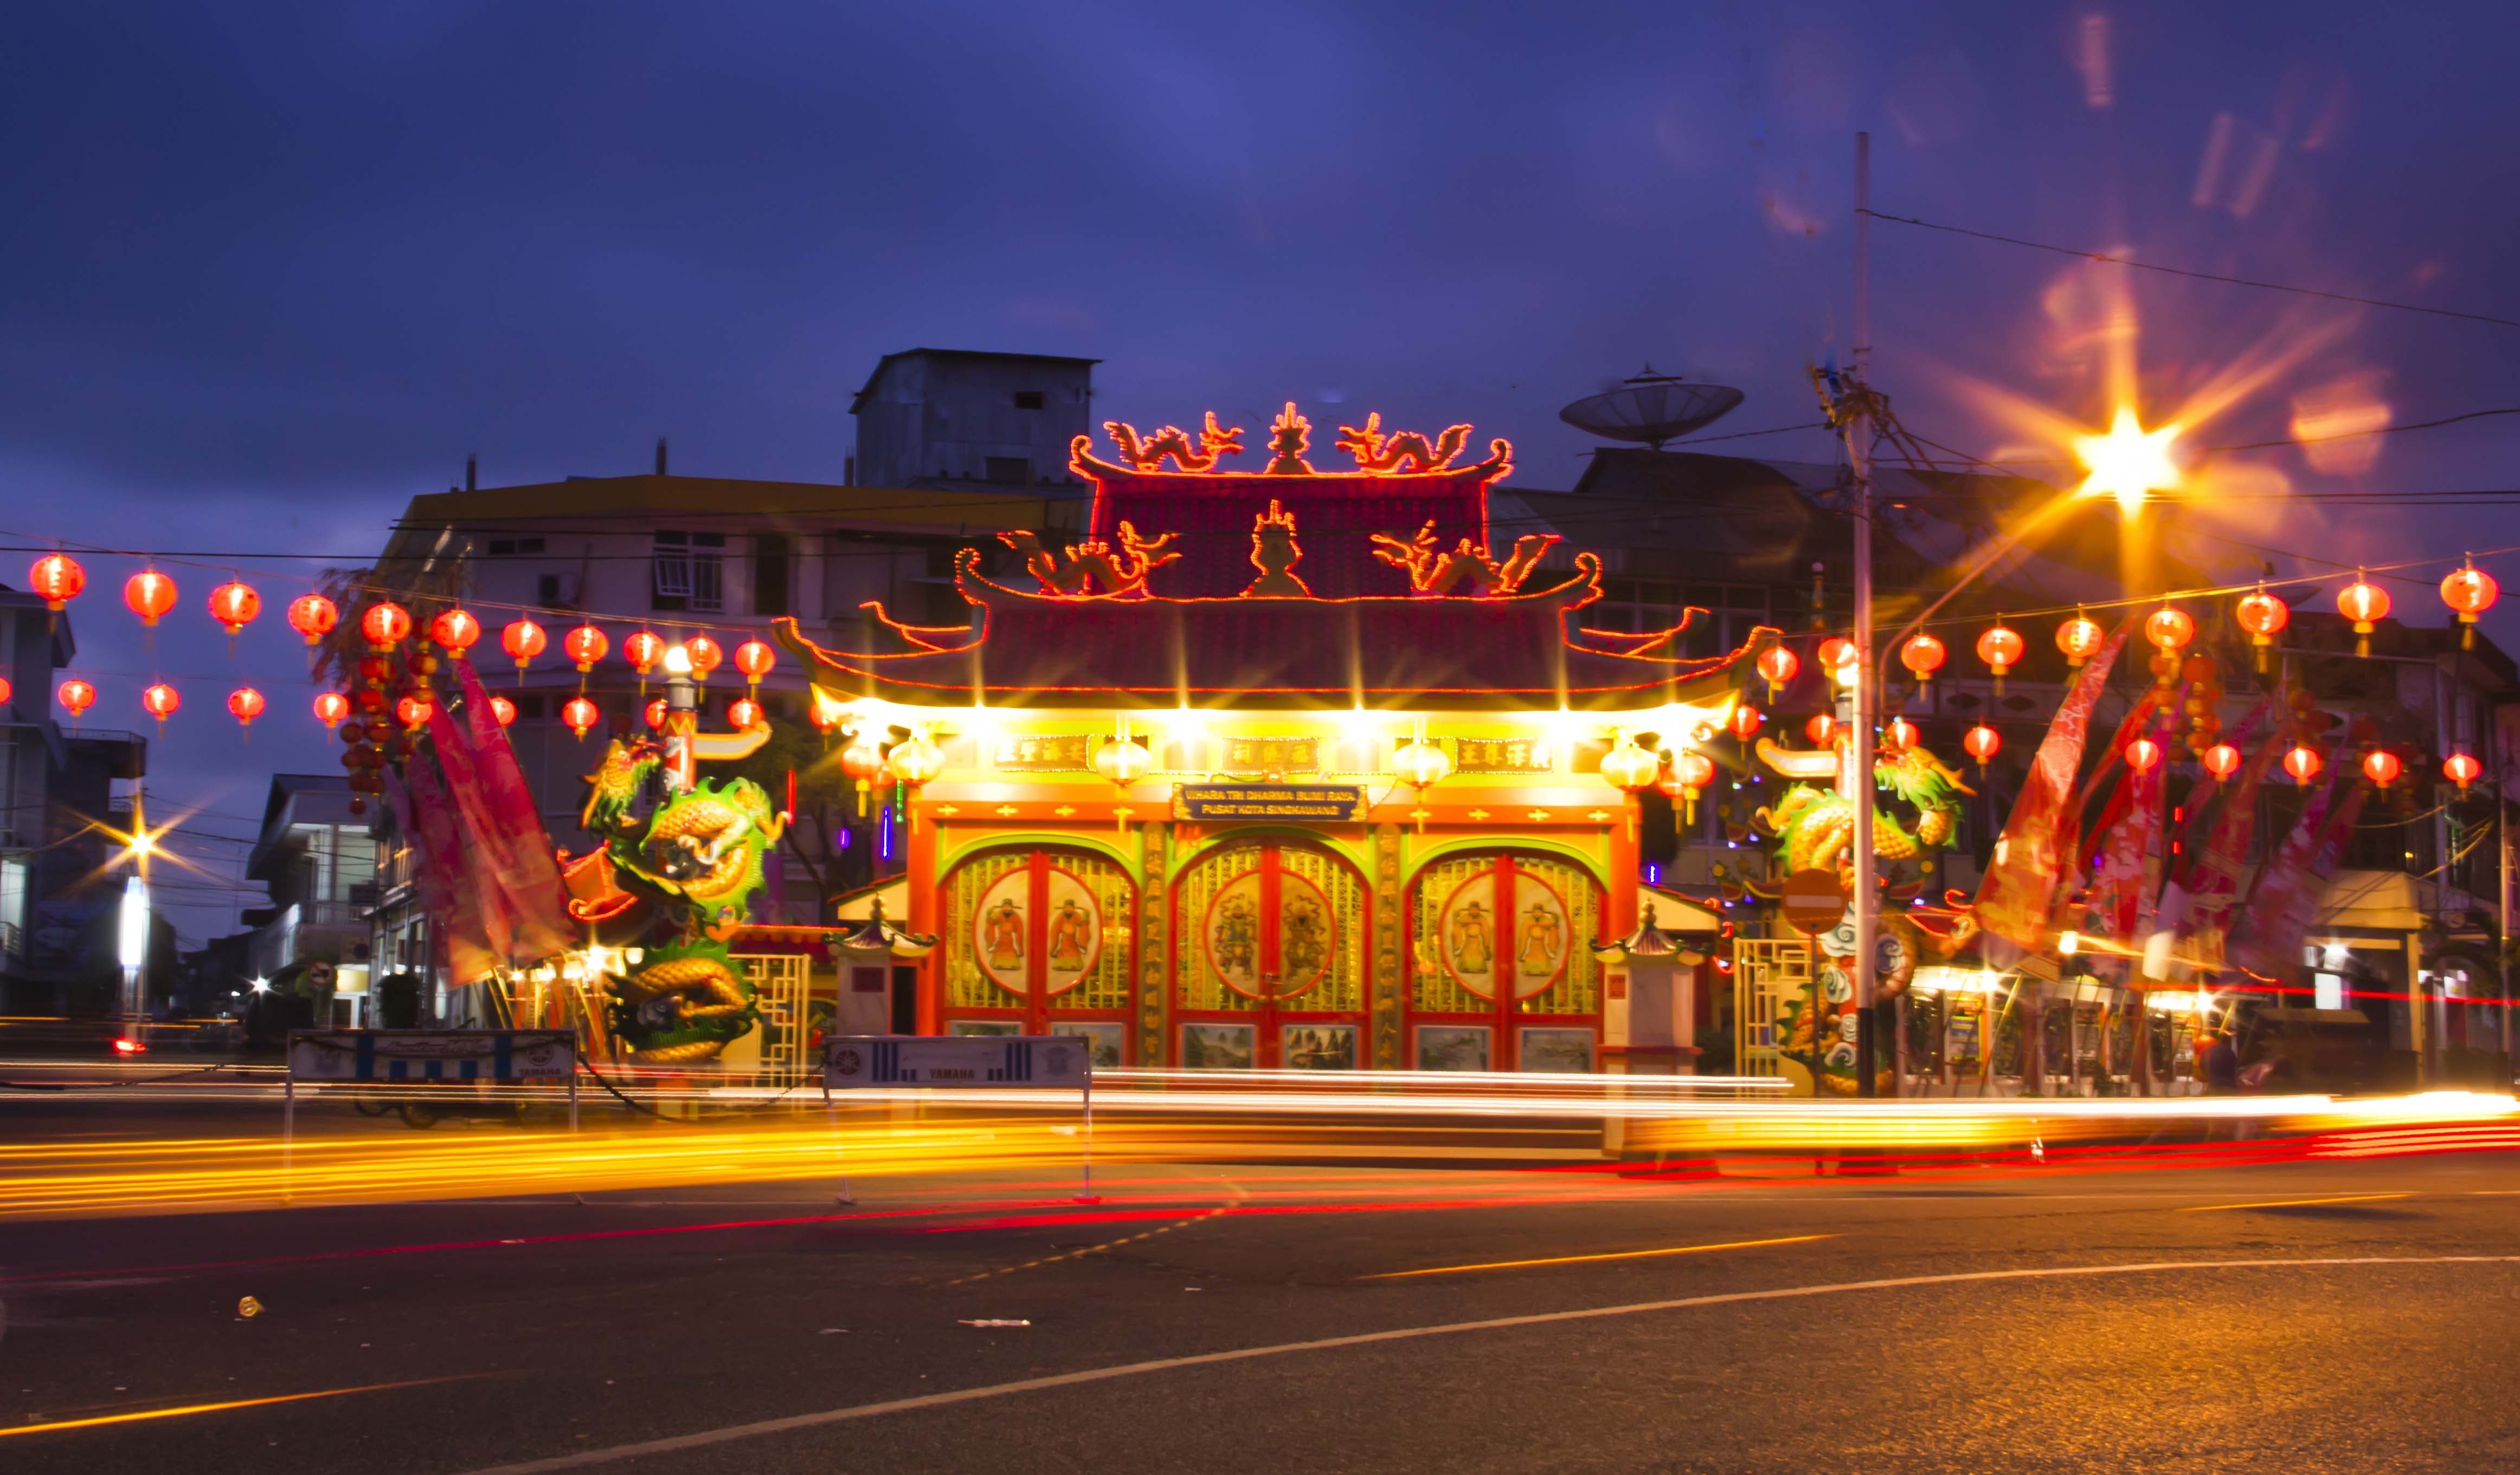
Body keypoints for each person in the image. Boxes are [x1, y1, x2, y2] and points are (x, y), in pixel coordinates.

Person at [2196, 1029, 2240, 1094]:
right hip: (2231, 1088)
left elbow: (2201, 1070)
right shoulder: (2230, 1053)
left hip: (2215, 1088)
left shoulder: (2206, 1052)